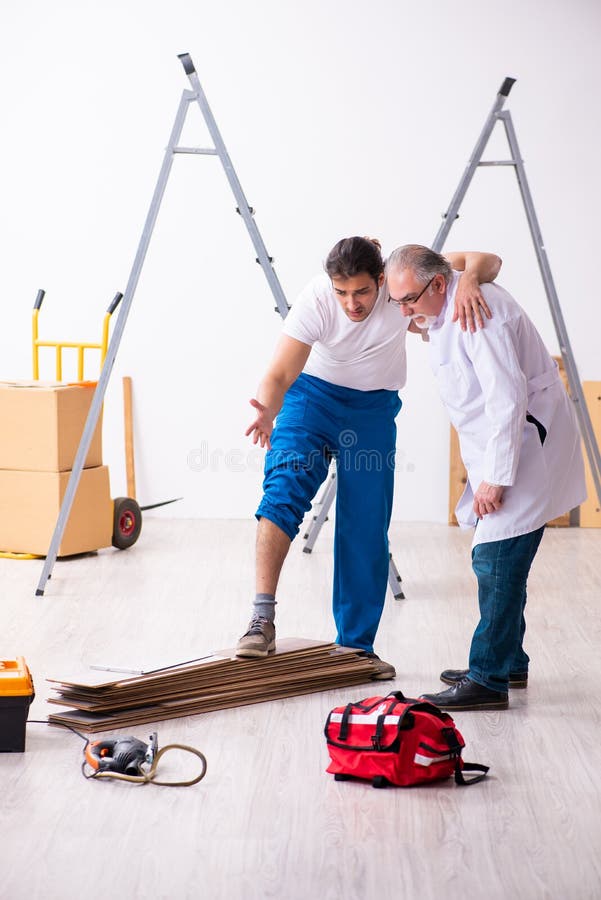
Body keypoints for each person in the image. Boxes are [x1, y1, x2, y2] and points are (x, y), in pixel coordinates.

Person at [235, 236, 501, 680]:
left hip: (372, 409)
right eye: (342, 293)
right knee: (282, 491)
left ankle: (355, 648)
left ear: (381, 281)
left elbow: (487, 259)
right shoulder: (318, 298)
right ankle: (261, 619)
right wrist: (267, 410)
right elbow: (281, 372)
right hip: (311, 398)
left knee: (365, 522)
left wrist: (468, 278)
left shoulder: (401, 282)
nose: (351, 304)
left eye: (361, 292)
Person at [385, 244, 586, 707]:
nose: (403, 312)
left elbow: (507, 398)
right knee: (503, 562)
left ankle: (488, 678)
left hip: (525, 446)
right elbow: (463, 261)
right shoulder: (444, 296)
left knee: (497, 562)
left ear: (438, 284)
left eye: (408, 300)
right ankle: (509, 660)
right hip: (508, 442)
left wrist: (494, 479)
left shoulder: (476, 312)